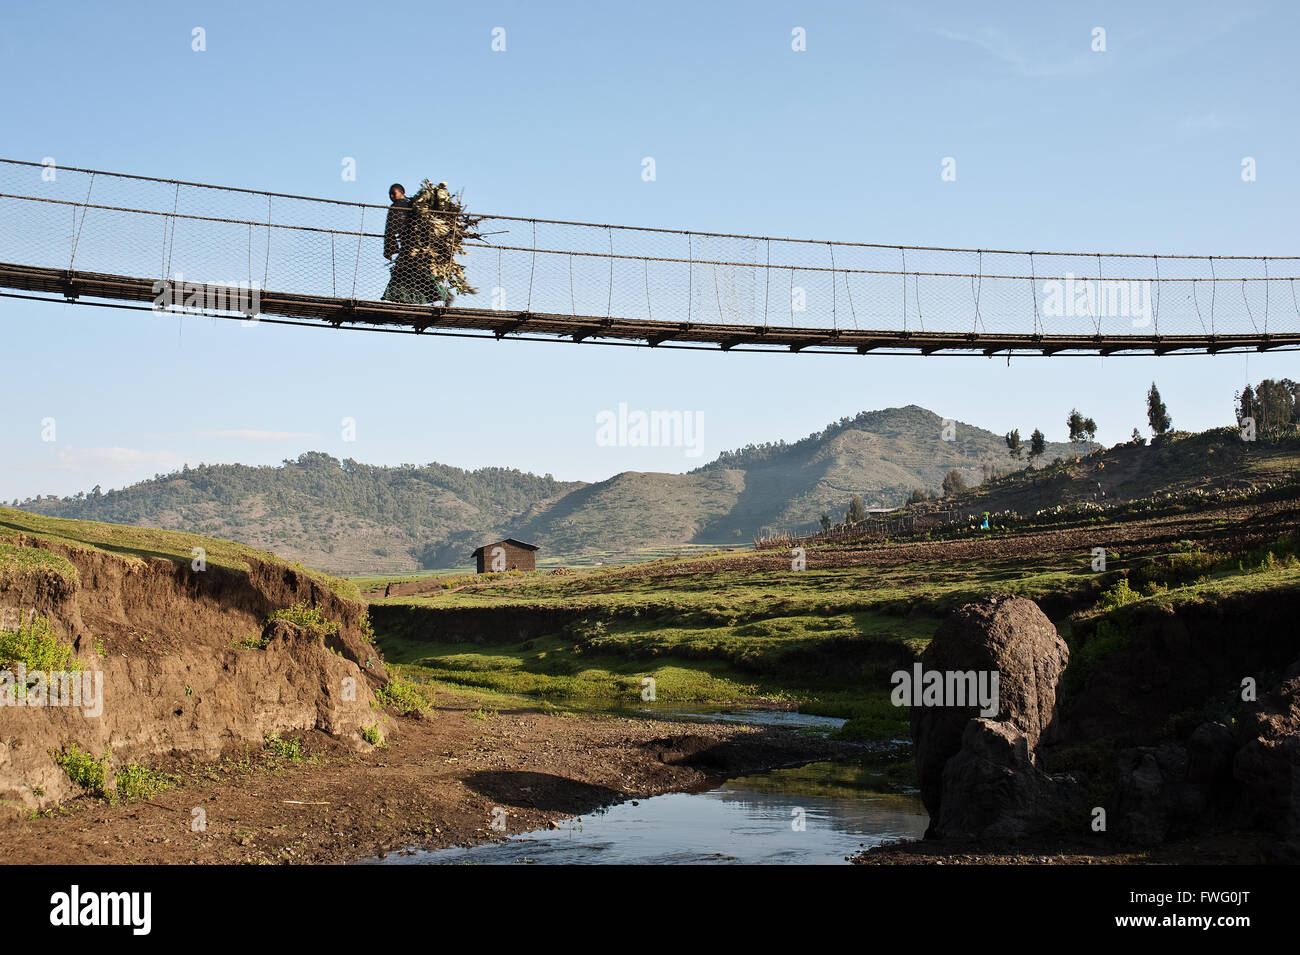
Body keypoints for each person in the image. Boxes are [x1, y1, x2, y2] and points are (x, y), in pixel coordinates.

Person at [381, 182, 455, 306]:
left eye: (394, 193)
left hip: (410, 246)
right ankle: (402, 300)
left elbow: (390, 229)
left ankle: (445, 295)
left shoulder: (398, 207)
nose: (392, 196)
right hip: (417, 245)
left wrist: (389, 248)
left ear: (401, 192)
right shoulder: (413, 204)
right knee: (411, 273)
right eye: (390, 194)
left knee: (409, 272)